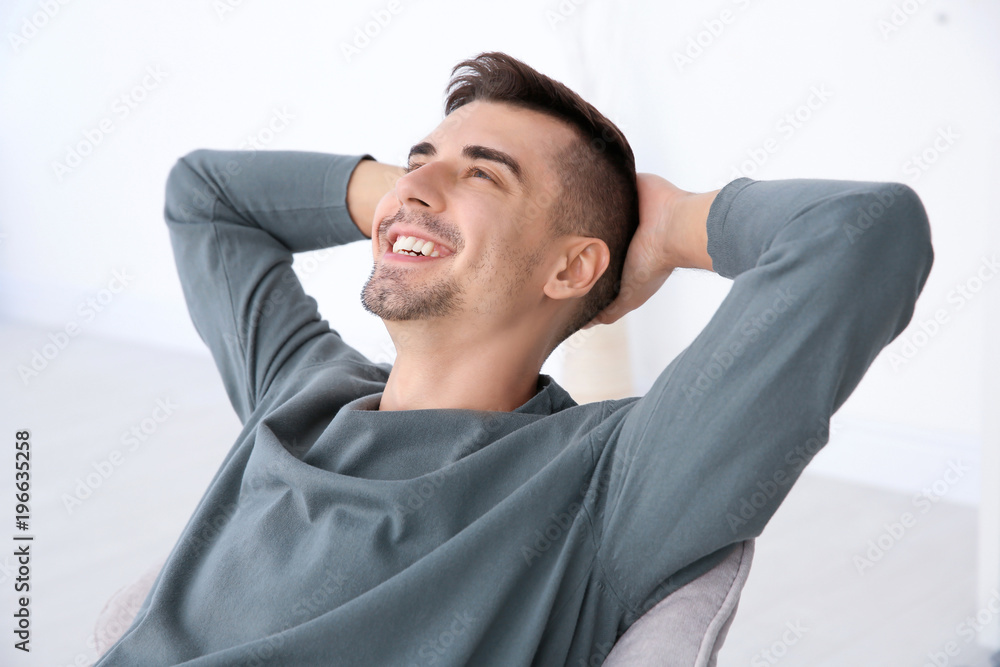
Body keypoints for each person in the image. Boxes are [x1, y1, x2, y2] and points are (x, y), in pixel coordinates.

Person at [95, 51, 933, 665]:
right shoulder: (303, 390)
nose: (414, 185)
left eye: (484, 177)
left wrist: (671, 224)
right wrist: (412, 205)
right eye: (416, 162)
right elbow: (205, 198)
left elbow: (864, 233)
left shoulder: (606, 483)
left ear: (572, 266)